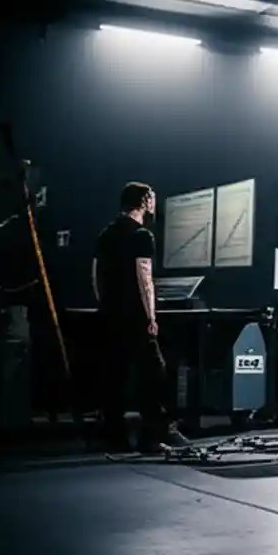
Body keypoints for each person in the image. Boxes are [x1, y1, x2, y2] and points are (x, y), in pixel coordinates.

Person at [93, 182, 188, 452]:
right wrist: (151, 316)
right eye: (153, 198)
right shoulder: (142, 235)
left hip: (111, 315)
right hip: (135, 316)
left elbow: (96, 274)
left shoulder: (106, 234)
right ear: (145, 201)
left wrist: (104, 304)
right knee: (153, 374)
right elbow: (144, 277)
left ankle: (113, 436)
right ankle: (155, 436)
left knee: (115, 374)